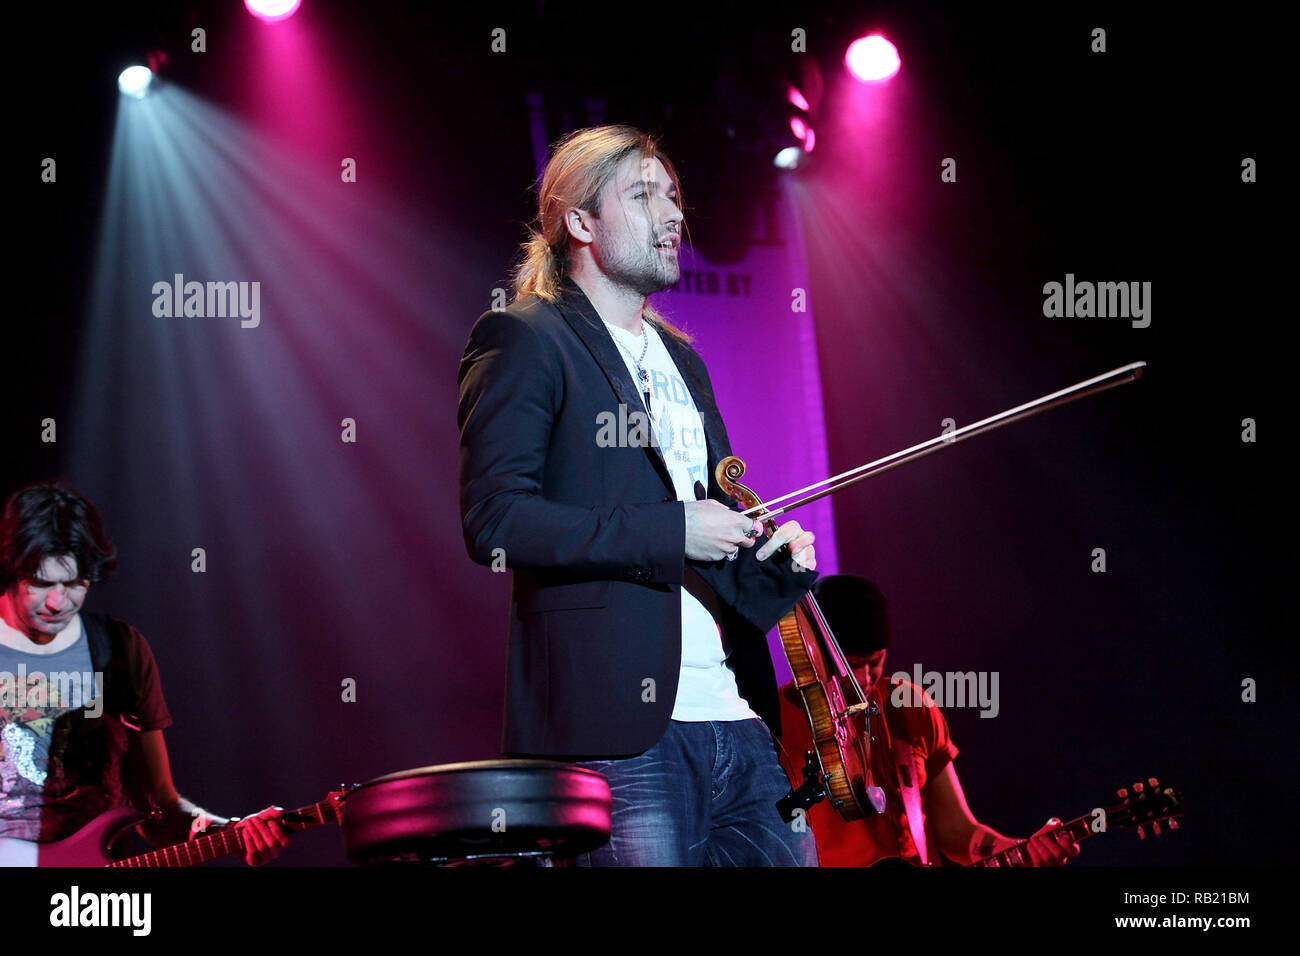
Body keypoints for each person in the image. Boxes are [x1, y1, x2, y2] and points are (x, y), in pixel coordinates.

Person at [457, 125, 820, 866]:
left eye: (674, 196)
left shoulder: (682, 358)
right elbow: (494, 521)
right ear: (581, 222)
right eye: (644, 194)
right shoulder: (525, 337)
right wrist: (670, 529)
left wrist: (771, 565)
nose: (674, 214)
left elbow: (711, 543)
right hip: (616, 731)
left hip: (735, 720)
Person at [0, 480, 290, 865]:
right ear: (9, 572)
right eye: (40, 583)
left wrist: (232, 832)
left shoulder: (119, 651)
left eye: (74, 584)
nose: (57, 602)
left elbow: (160, 812)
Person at [777, 574, 1080, 866]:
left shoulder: (910, 706)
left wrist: (1021, 850)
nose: (864, 679)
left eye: (875, 662)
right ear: (816, 655)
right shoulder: (773, 719)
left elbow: (957, 833)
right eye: (853, 666)